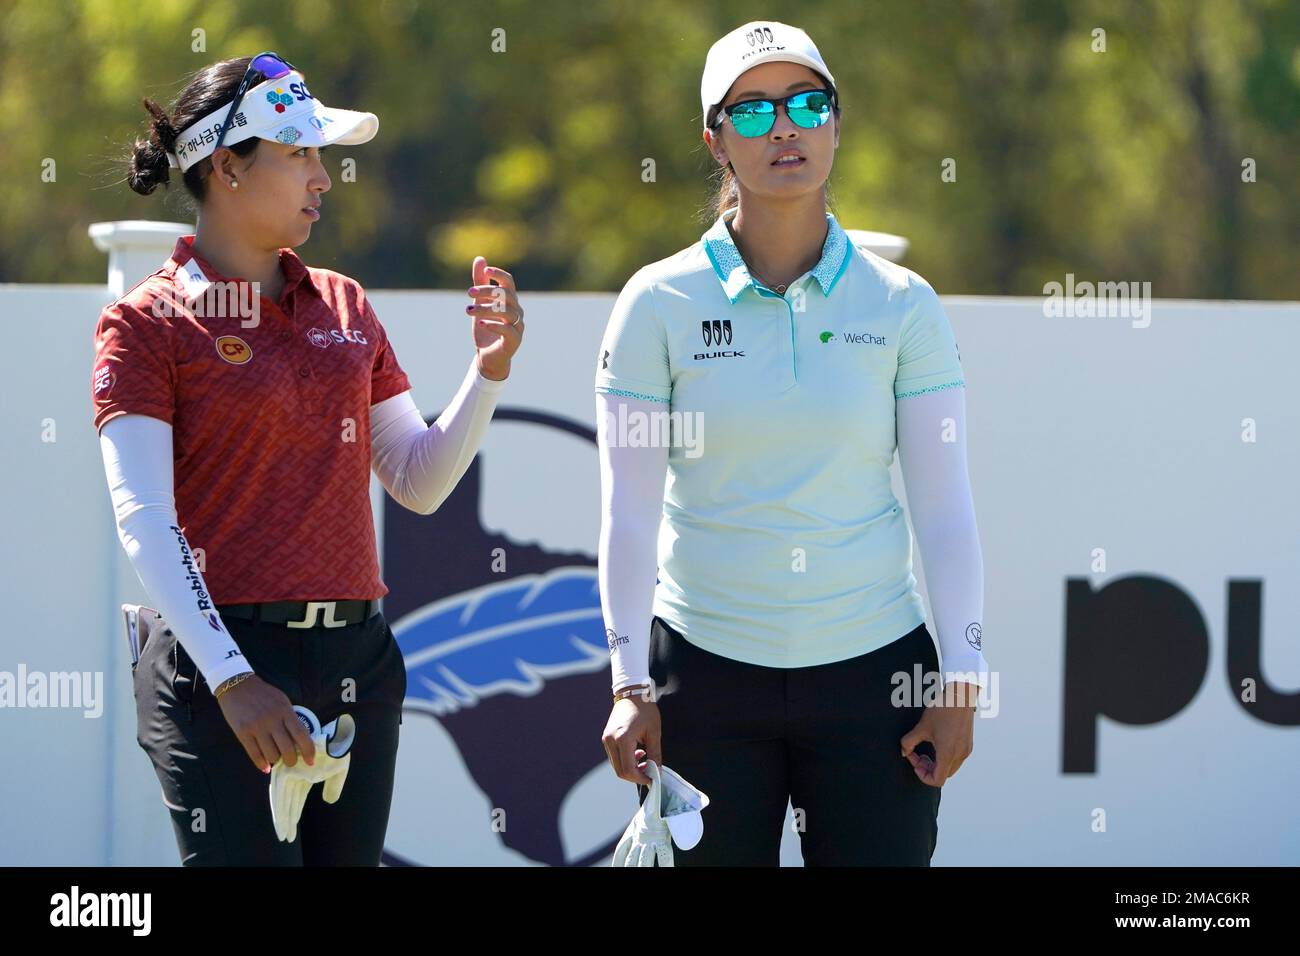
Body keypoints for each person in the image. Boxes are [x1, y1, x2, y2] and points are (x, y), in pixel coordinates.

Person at [93, 53, 524, 865]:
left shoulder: (345, 302)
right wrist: (231, 680)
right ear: (227, 166)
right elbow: (143, 517)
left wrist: (489, 372)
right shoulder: (145, 323)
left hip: (356, 660)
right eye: (300, 155)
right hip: (218, 662)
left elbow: (418, 481)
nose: (323, 178)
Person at [596, 21, 987, 866]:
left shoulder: (903, 303)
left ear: (836, 126)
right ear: (714, 139)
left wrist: (962, 682)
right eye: (754, 110)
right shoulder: (654, 302)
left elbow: (944, 510)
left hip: (875, 677)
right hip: (698, 679)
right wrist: (630, 686)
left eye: (810, 104)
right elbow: (627, 518)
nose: (786, 127)